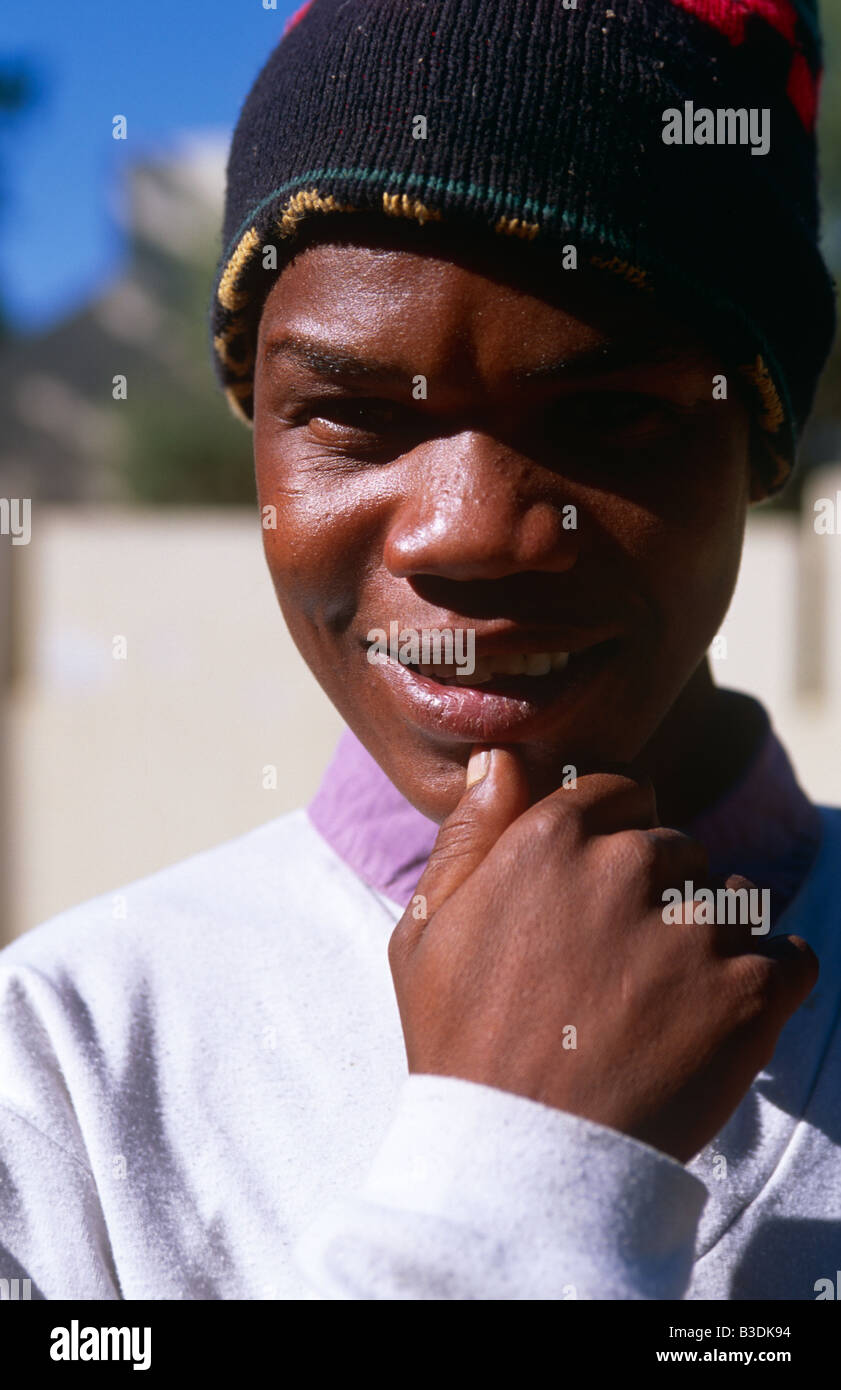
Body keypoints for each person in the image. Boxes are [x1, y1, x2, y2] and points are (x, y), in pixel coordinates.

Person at [1, 0, 838, 1301]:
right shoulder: (63, 1064)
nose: (469, 533)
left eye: (608, 414)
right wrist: (517, 1179)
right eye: (348, 417)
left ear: (761, 447)